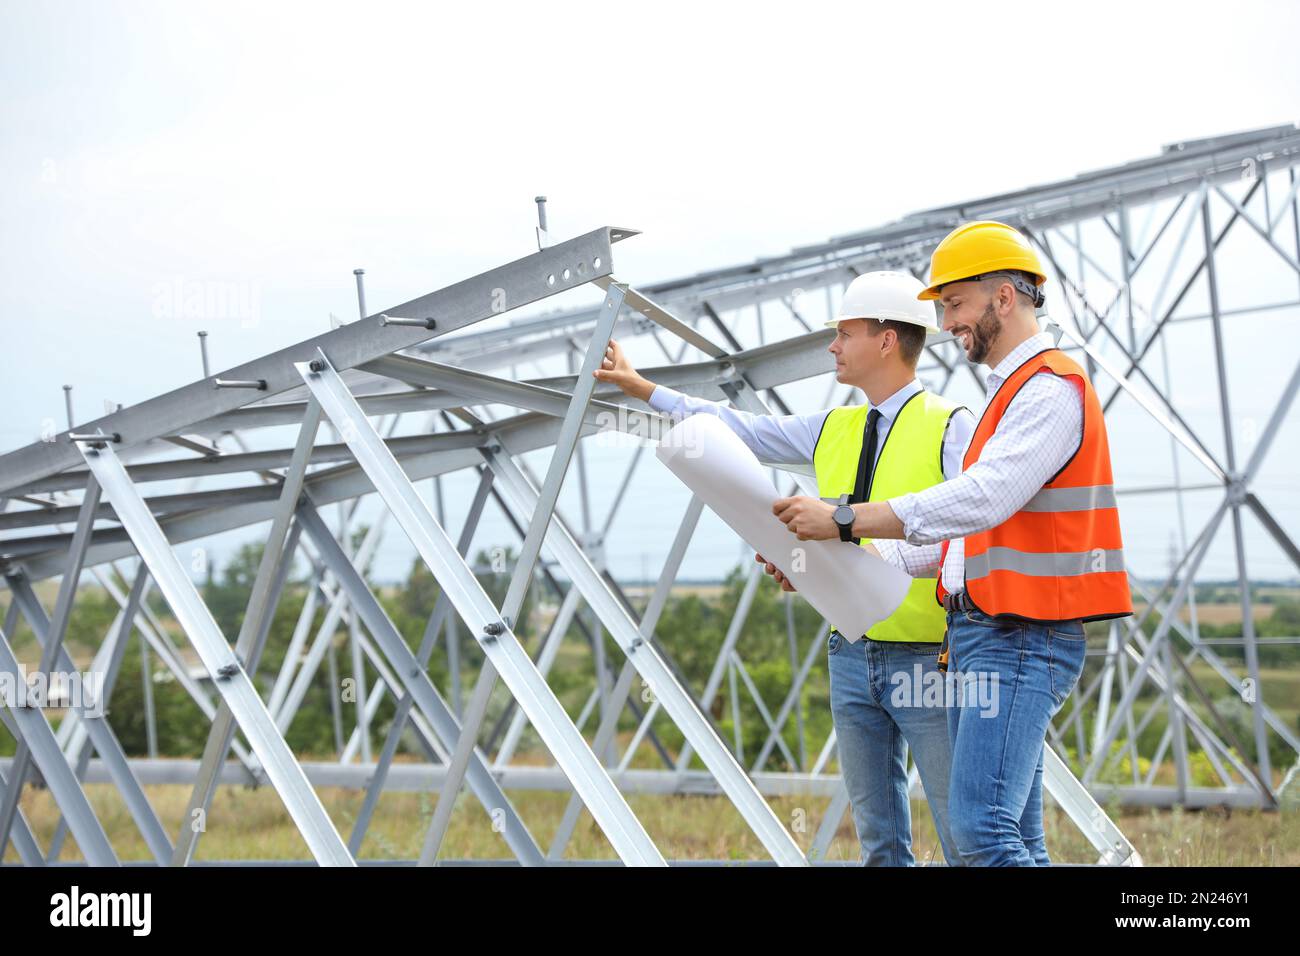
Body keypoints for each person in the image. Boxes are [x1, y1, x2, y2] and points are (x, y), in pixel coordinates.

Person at [768, 221, 1133, 866]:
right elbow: (959, 542)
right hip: (983, 635)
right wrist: (833, 564)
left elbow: (981, 498)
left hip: (1023, 634)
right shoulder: (1004, 399)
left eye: (955, 304)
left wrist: (848, 519)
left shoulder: (1049, 389)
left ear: (1003, 298)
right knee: (1012, 837)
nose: (947, 322)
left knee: (980, 830)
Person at [594, 271, 974, 866]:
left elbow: (963, 533)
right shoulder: (834, 427)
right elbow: (734, 428)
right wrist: (643, 389)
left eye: (844, 333)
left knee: (964, 836)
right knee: (879, 841)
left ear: (886, 341)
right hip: (851, 654)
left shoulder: (951, 427)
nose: (832, 346)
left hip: (927, 652)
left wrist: (853, 543)